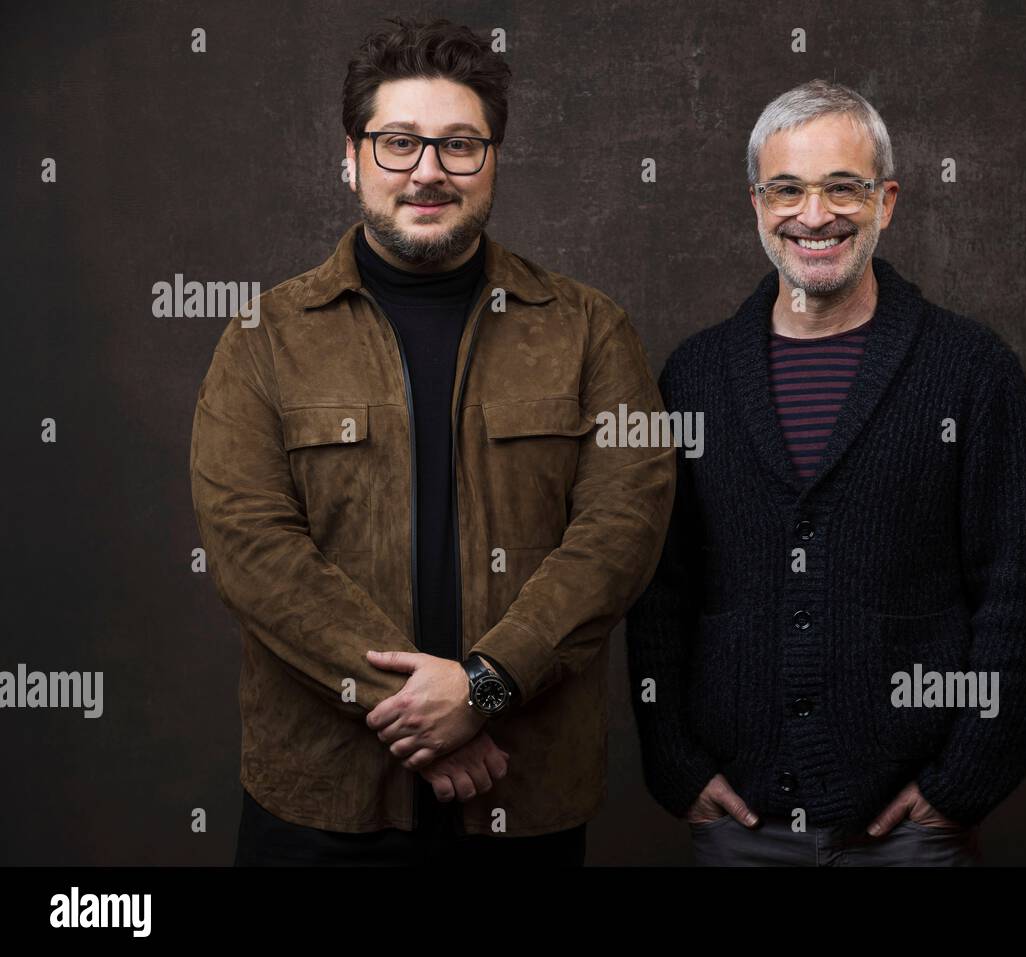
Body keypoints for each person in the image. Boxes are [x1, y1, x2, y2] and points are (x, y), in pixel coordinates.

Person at [190, 16, 674, 866]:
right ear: (351, 155)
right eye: (399, 143)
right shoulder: (261, 336)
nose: (428, 171)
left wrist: (485, 685)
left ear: (494, 160)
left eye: (460, 145)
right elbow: (254, 555)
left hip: (520, 799)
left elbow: (619, 535)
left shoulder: (591, 330)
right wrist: (430, 716)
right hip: (319, 803)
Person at [626, 79, 1026, 866]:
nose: (815, 215)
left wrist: (962, 781)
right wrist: (674, 761)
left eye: (843, 188)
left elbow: (1019, 595)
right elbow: (660, 589)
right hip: (739, 823)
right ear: (756, 202)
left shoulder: (971, 370)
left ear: (887, 201)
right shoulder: (694, 376)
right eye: (787, 189)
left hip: (911, 830)